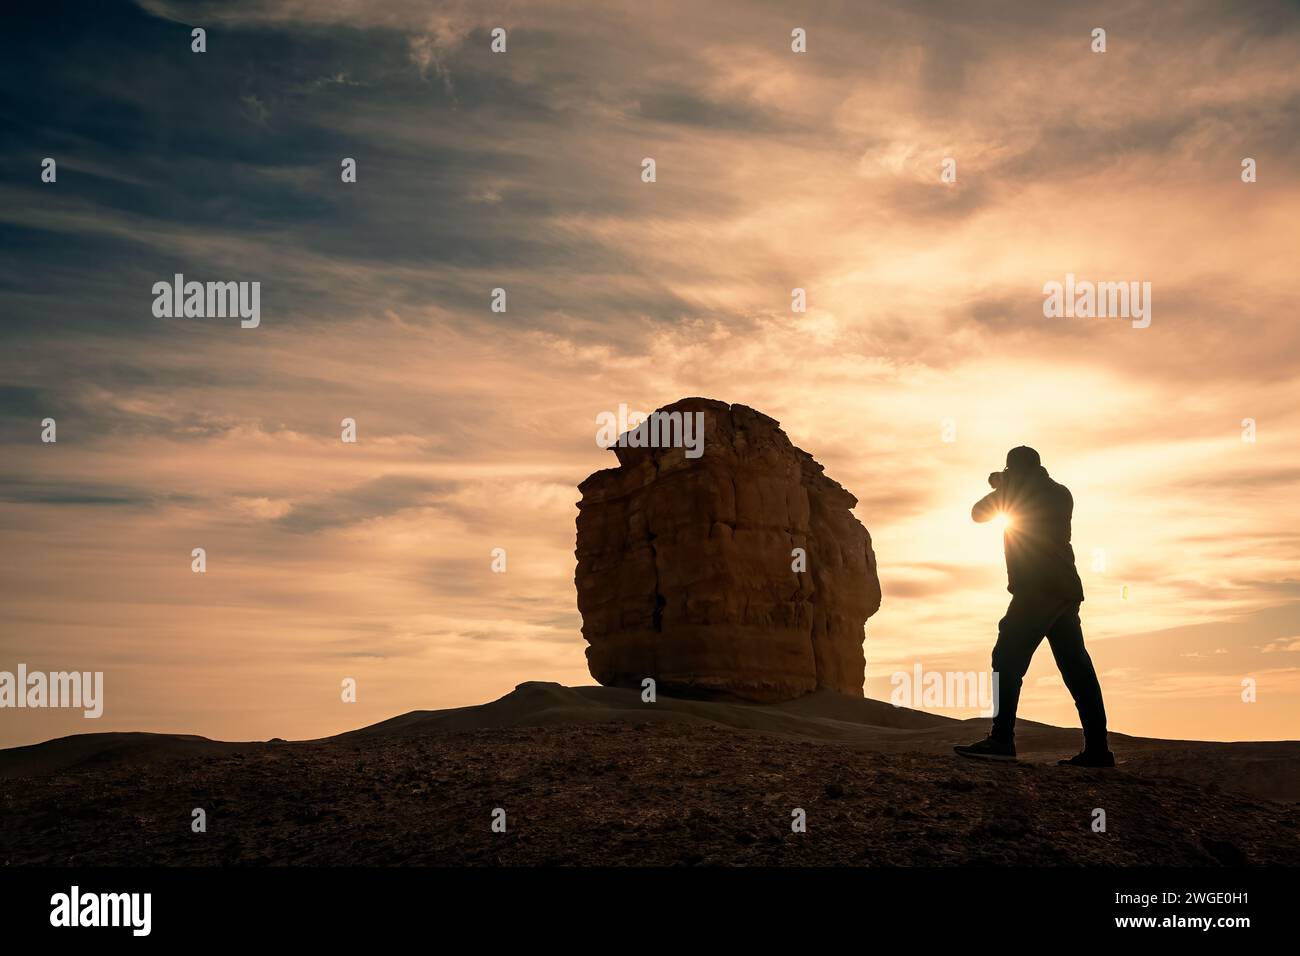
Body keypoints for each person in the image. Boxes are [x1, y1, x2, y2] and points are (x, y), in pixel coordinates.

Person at [954, 446, 1114, 767]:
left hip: (1037, 589)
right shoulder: (1060, 493)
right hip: (1065, 588)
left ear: (1015, 470)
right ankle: (1098, 749)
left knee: (1006, 656)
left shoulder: (1016, 491)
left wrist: (1003, 484)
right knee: (1077, 668)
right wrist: (1007, 483)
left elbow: (977, 513)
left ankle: (1001, 740)